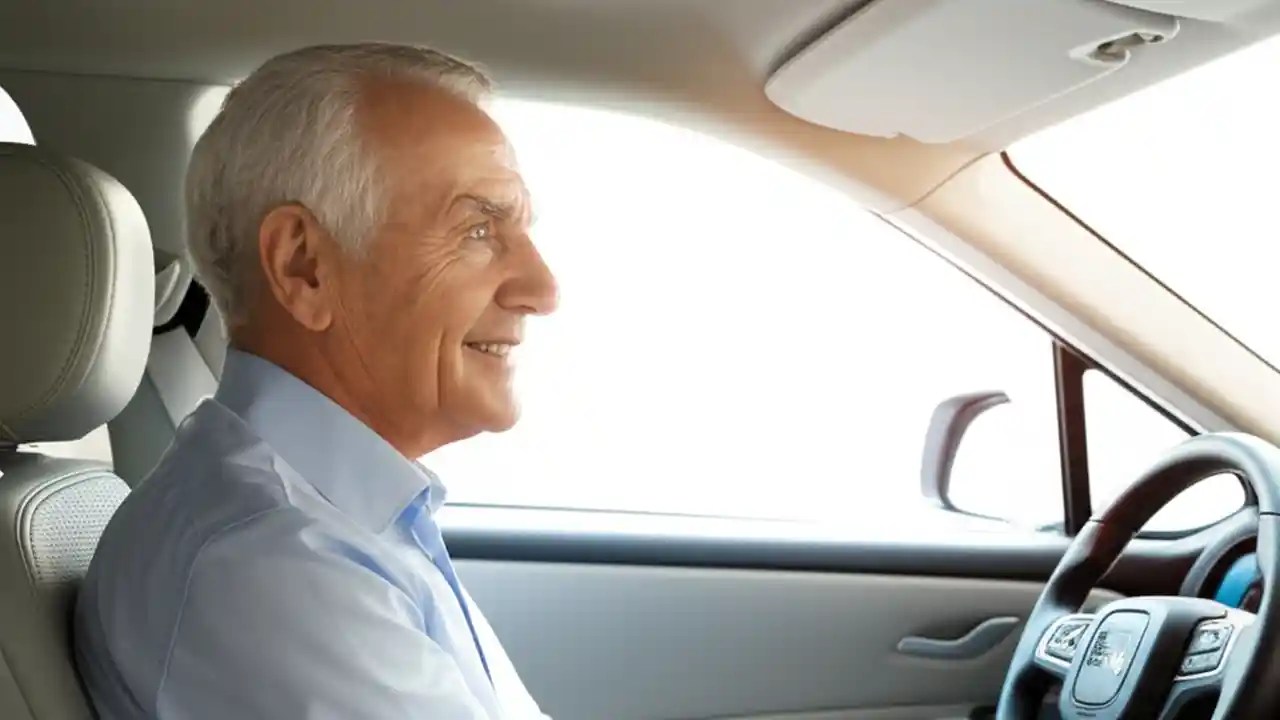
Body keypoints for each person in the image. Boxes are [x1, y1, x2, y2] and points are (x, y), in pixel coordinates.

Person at [75, 43, 558, 719]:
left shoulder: (336, 521)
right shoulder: (272, 563)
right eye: (478, 228)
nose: (543, 289)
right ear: (305, 267)